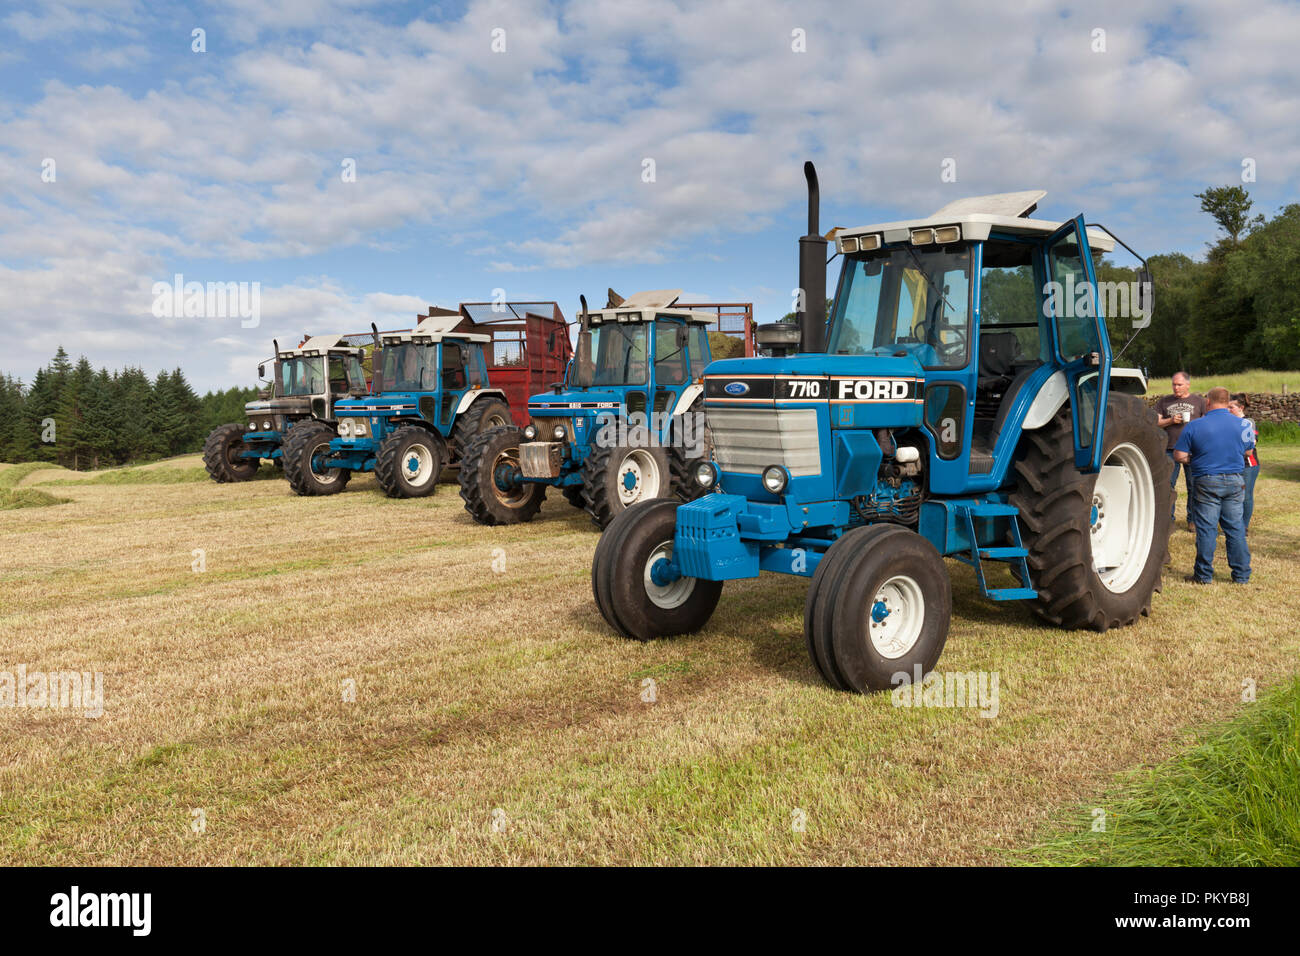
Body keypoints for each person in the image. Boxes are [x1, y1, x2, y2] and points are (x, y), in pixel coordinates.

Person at [1173, 387, 1250, 584]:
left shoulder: (1195, 425)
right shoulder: (1244, 424)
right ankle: (1241, 575)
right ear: (1227, 402)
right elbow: (1249, 452)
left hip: (1206, 479)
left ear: (1208, 402)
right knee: (1235, 528)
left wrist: (1194, 460)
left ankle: (1203, 574)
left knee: (1207, 529)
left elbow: (1179, 455)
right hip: (1234, 480)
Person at [1155, 372, 1206, 532]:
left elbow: (1207, 422)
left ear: (1188, 384)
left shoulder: (1200, 401)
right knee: (1168, 485)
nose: (1176, 387)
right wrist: (1170, 420)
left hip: (1193, 450)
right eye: (1174, 384)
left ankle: (1193, 521)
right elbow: (1156, 422)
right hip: (1170, 449)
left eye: (1179, 384)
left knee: (1194, 486)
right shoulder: (1164, 401)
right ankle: (1168, 521)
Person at [1229, 393, 1259, 533]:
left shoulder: (1249, 422)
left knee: (1246, 496)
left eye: (1231, 407)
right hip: (1234, 464)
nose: (1228, 410)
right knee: (1234, 496)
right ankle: (1235, 524)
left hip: (1248, 465)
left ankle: (1244, 527)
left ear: (1241, 407)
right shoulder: (1229, 422)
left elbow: (1250, 447)